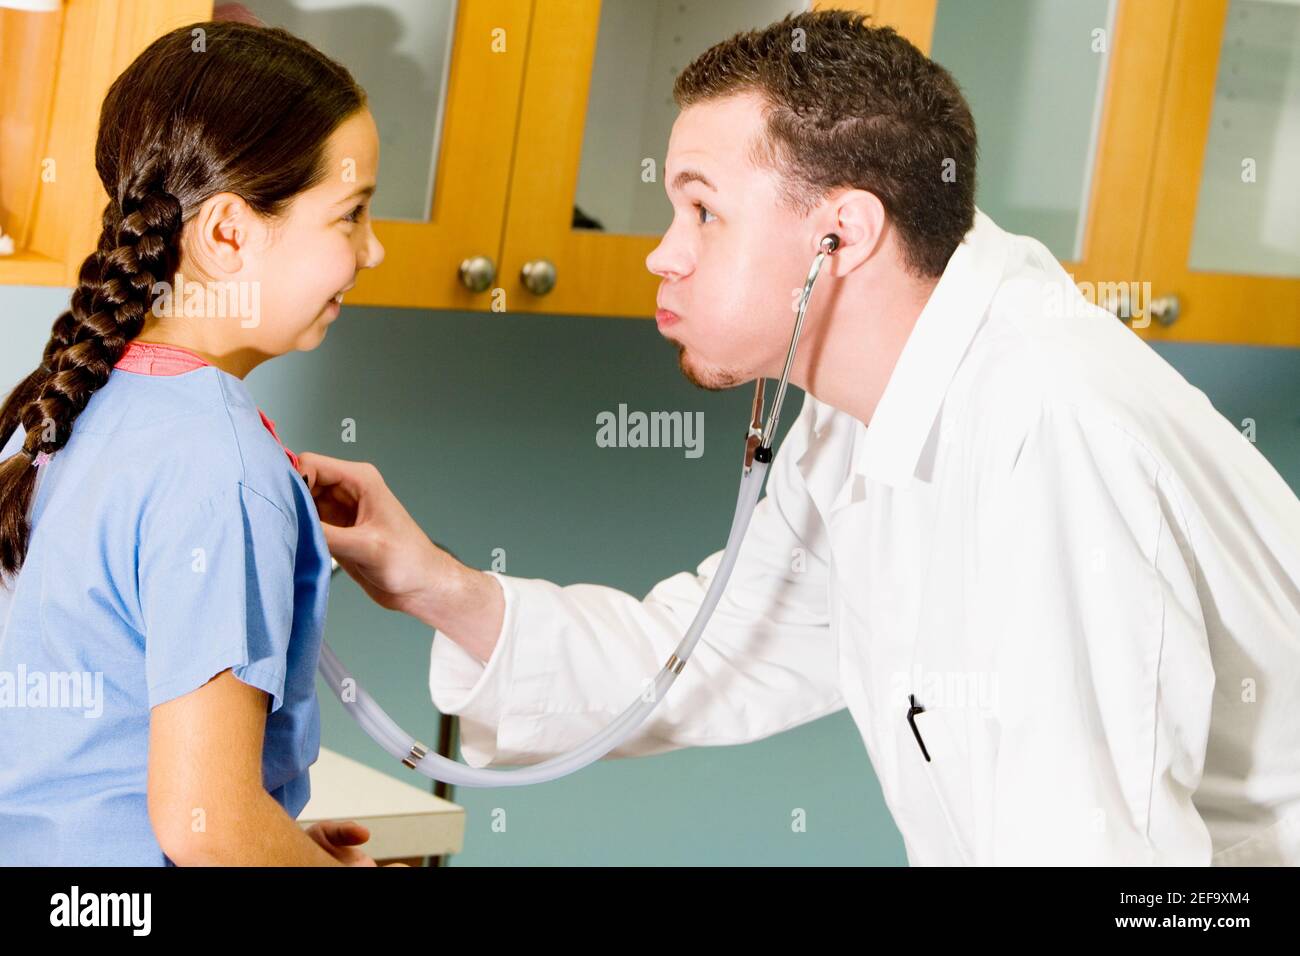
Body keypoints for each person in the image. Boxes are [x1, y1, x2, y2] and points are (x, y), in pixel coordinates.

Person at [301, 10, 1300, 865]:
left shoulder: (1045, 428)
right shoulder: (866, 416)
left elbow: (1091, 854)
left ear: (844, 236)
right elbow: (702, 656)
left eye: (701, 208)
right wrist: (430, 579)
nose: (662, 252)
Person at [0, 20, 390, 865]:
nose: (374, 249)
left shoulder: (79, 406)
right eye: (350, 216)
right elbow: (203, 828)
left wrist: (284, 847)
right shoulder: (220, 461)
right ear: (226, 235)